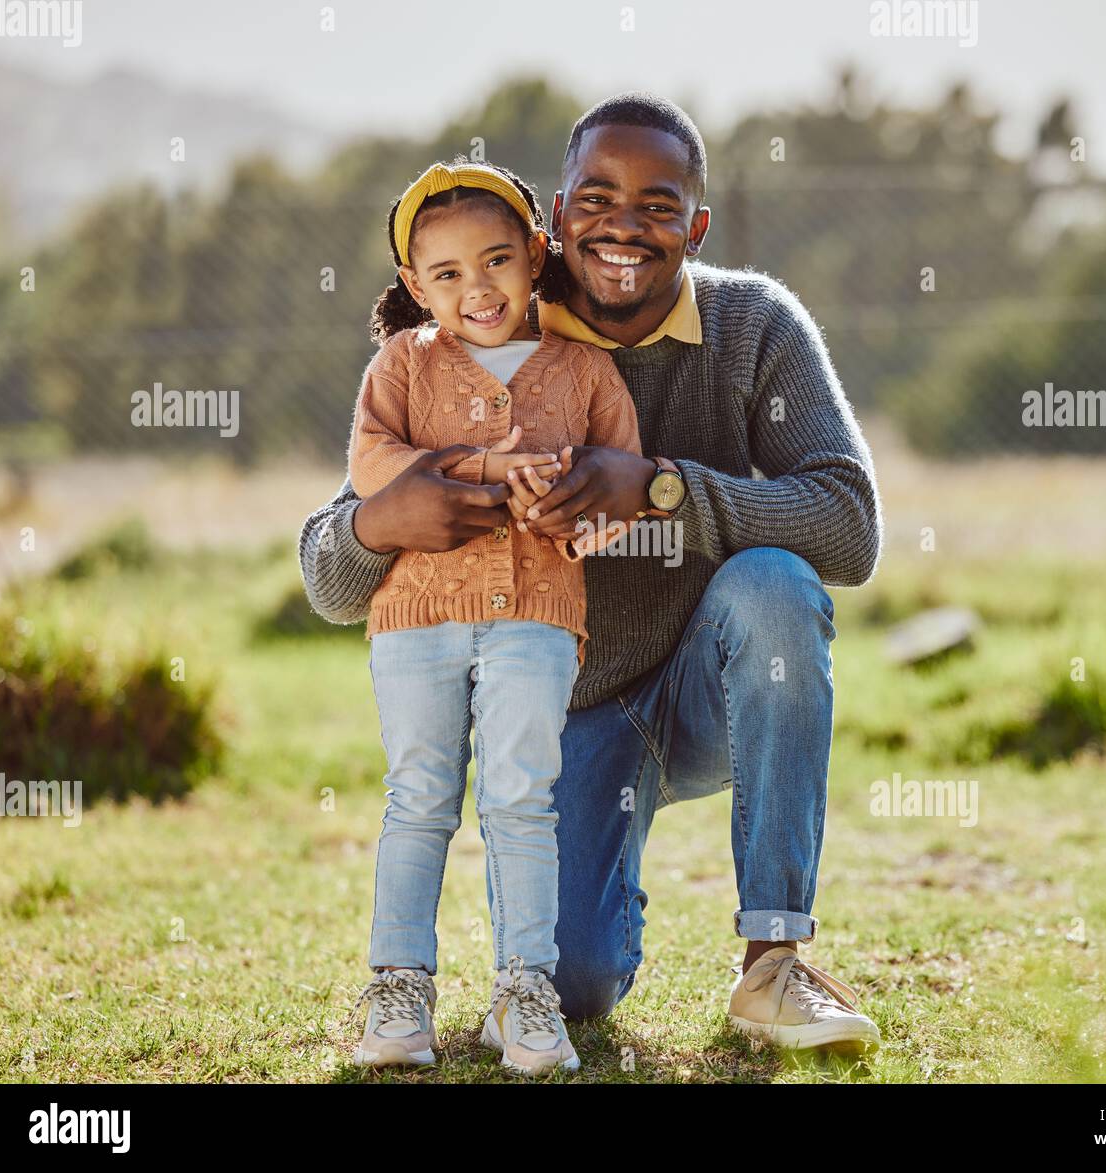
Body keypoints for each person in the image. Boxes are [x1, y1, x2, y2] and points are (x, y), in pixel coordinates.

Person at [304, 92, 886, 1055]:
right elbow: (329, 576)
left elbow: (850, 524)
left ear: (696, 227)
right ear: (552, 226)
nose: (624, 224)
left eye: (659, 205)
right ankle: (529, 948)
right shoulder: (477, 332)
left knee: (778, 585)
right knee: (574, 983)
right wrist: (380, 519)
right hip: (564, 714)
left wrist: (658, 489)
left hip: (706, 686)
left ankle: (775, 965)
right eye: (596, 199)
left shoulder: (754, 327)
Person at [345, 158, 642, 1075]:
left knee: (521, 797)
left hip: (539, 617)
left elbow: (624, 475)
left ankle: (525, 989)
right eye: (447, 274)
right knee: (420, 797)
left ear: (536, 255)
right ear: (413, 286)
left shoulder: (584, 369)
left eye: (499, 260)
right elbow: (370, 466)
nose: (478, 288)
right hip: (416, 615)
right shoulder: (402, 363)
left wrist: (590, 514)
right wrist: (478, 465)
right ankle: (399, 987)